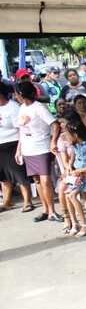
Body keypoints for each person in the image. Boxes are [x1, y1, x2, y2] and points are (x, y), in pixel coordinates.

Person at [15, 81, 61, 222]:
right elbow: (21, 131)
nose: (16, 96)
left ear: (22, 94)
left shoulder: (39, 108)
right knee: (37, 181)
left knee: (45, 180)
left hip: (41, 147)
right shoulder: (22, 108)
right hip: (28, 148)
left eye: (17, 94)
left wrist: (53, 141)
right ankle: (46, 210)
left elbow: (55, 125)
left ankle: (52, 211)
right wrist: (19, 149)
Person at [0, 83, 33, 212]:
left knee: (19, 174)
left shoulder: (13, 107)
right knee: (3, 177)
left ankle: (27, 201)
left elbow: (21, 128)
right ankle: (7, 202)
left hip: (13, 143)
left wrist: (20, 147)